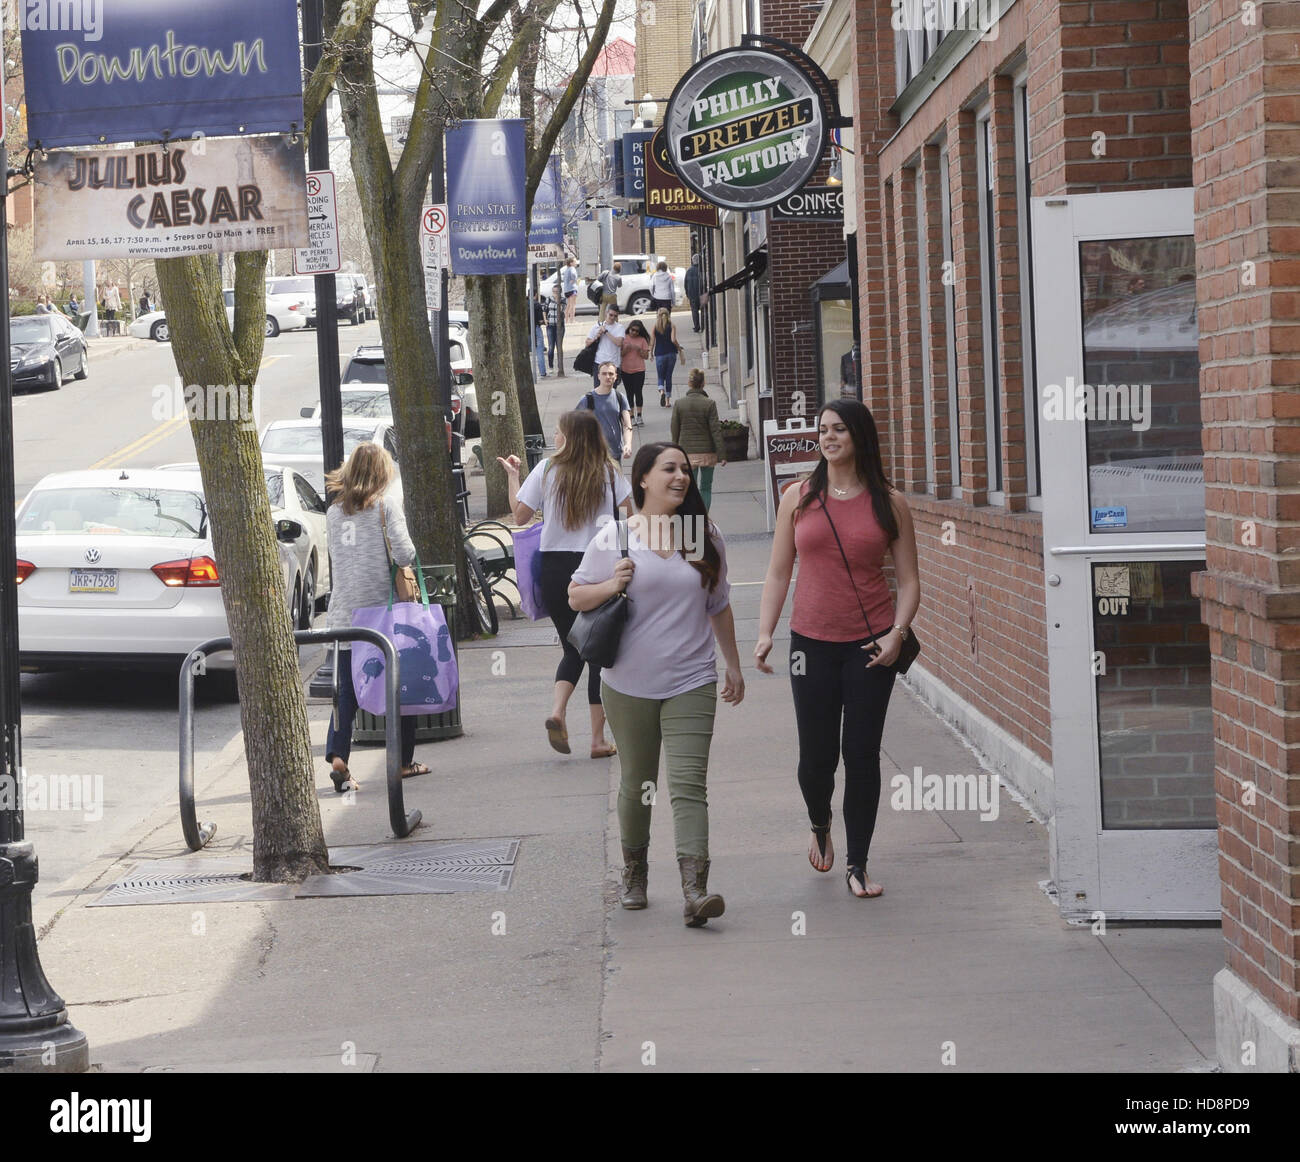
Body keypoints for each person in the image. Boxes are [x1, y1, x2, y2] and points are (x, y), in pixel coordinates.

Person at [569, 442, 745, 927]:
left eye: (685, 470)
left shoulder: (700, 535)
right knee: (639, 783)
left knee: (688, 785)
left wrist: (733, 664)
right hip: (627, 684)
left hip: (691, 679)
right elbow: (576, 595)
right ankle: (635, 874)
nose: (681, 477)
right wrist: (613, 584)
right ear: (642, 478)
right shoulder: (616, 537)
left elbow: (719, 605)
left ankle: (695, 891)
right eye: (670, 469)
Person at [754, 399, 921, 900]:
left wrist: (898, 633)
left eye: (839, 430)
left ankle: (858, 862)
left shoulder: (889, 502)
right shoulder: (798, 497)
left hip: (871, 646)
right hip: (810, 643)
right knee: (816, 757)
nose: (828, 438)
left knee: (862, 755)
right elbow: (779, 571)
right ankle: (819, 820)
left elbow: (910, 581)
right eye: (823, 430)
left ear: (860, 437)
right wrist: (766, 632)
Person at [498, 410, 633, 759]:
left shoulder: (545, 471)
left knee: (573, 646)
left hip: (554, 567)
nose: (554, 439)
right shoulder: (609, 472)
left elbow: (520, 515)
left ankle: (557, 711)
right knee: (598, 652)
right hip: (597, 566)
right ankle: (597, 740)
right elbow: (631, 516)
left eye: (558, 433)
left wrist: (513, 477)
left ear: (571, 438)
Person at [323, 442, 431, 791]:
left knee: (346, 692)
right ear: (382, 473)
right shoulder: (386, 507)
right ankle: (402, 762)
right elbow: (405, 553)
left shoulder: (334, 512)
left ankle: (339, 755)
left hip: (344, 614)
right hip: (384, 617)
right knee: (402, 686)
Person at [671, 368, 727, 508]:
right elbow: (715, 430)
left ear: (689, 383)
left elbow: (675, 429)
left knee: (690, 488)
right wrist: (722, 454)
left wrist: (675, 451)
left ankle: (692, 518)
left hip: (687, 453)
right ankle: (704, 518)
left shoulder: (679, 404)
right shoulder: (709, 403)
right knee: (706, 487)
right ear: (703, 383)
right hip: (708, 452)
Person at [577, 363, 632, 461]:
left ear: (616, 377)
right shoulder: (587, 399)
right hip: (593, 456)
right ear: (598, 376)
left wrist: (628, 444)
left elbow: (627, 425)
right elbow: (574, 426)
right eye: (604, 374)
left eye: (611, 374)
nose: (607, 377)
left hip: (615, 455)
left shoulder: (620, 397)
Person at [585, 304, 625, 387]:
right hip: (599, 362)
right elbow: (587, 343)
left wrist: (606, 332)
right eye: (611, 315)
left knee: (611, 390)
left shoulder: (620, 327)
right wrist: (597, 337)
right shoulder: (596, 326)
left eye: (615, 316)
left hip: (613, 364)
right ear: (606, 313)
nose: (612, 317)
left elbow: (619, 343)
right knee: (598, 389)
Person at [620, 319, 651, 427]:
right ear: (629, 328)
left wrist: (639, 350)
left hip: (639, 370)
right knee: (629, 393)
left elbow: (646, 356)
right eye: (632, 330)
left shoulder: (642, 340)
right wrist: (626, 349)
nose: (634, 332)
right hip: (626, 370)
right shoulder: (624, 338)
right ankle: (631, 416)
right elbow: (620, 354)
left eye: (637, 331)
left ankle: (639, 415)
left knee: (638, 392)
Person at [652, 307, 683, 407]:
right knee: (668, 376)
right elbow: (673, 340)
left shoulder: (655, 326)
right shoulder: (672, 325)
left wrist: (650, 353)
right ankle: (667, 402)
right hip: (671, 353)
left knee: (660, 376)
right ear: (668, 315)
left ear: (658, 316)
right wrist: (679, 348)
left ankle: (661, 391)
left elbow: (652, 341)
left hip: (659, 354)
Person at [546, 282, 564, 372]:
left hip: (559, 326)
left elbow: (561, 310)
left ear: (560, 292)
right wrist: (546, 320)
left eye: (556, 292)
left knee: (559, 347)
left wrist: (557, 301)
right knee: (551, 347)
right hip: (550, 325)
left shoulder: (563, 300)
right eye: (553, 291)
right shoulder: (548, 299)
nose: (554, 293)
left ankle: (560, 366)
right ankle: (550, 366)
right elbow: (544, 309)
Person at [684, 255, 703, 333]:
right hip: (701, 293)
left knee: (694, 311)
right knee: (704, 310)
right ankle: (704, 325)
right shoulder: (701, 270)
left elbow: (685, 284)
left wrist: (688, 294)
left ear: (692, 261)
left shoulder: (689, 271)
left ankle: (697, 326)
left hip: (692, 294)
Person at [533, 292, 548, 378]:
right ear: (535, 295)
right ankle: (542, 372)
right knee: (539, 351)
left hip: (526, 330)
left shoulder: (524, 303)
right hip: (536, 328)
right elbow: (540, 321)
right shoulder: (537, 305)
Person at [562, 258, 579, 323]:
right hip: (572, 289)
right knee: (573, 305)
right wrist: (574, 279)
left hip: (566, 290)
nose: (576, 263)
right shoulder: (572, 268)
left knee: (568, 305)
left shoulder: (566, 270)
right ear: (571, 263)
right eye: (575, 261)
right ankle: (572, 320)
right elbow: (573, 275)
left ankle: (566, 320)